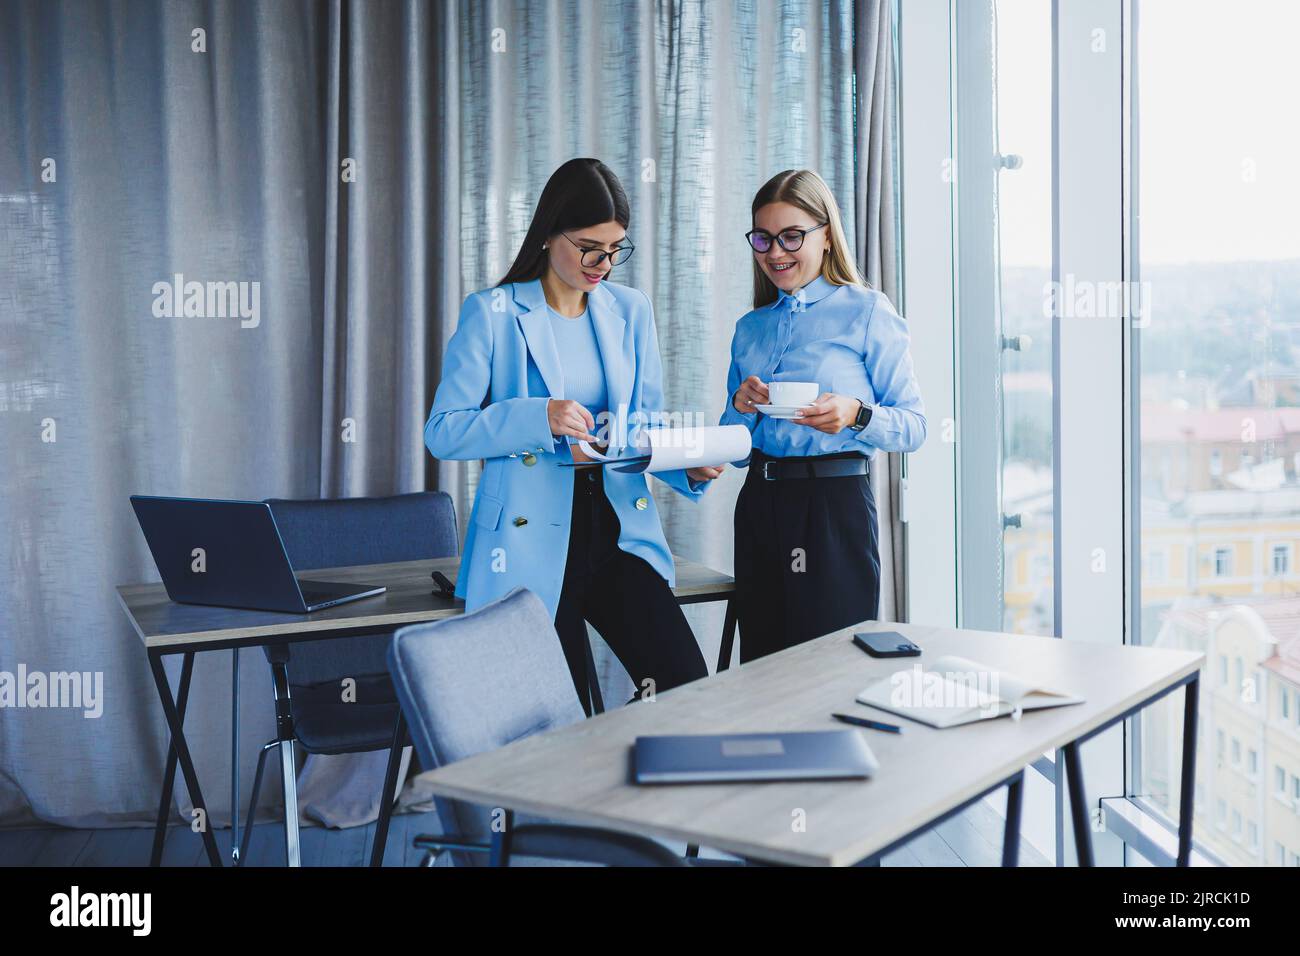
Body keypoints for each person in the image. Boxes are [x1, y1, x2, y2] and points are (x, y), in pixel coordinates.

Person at [426, 158, 723, 710]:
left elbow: (644, 424)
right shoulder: (491, 313)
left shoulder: (629, 311)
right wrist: (535, 418)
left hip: (617, 527)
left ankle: (625, 788)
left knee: (684, 686)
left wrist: (685, 465)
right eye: (589, 246)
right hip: (527, 537)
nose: (603, 264)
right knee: (554, 716)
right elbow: (444, 432)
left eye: (614, 249)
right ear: (548, 234)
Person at [720, 168, 926, 663]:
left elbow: (914, 426)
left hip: (833, 506)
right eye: (763, 238)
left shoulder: (868, 311)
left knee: (831, 665)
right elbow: (735, 449)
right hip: (760, 505)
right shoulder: (750, 328)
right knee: (763, 666)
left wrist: (855, 415)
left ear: (827, 236)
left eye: (792, 236)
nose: (775, 252)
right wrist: (741, 408)